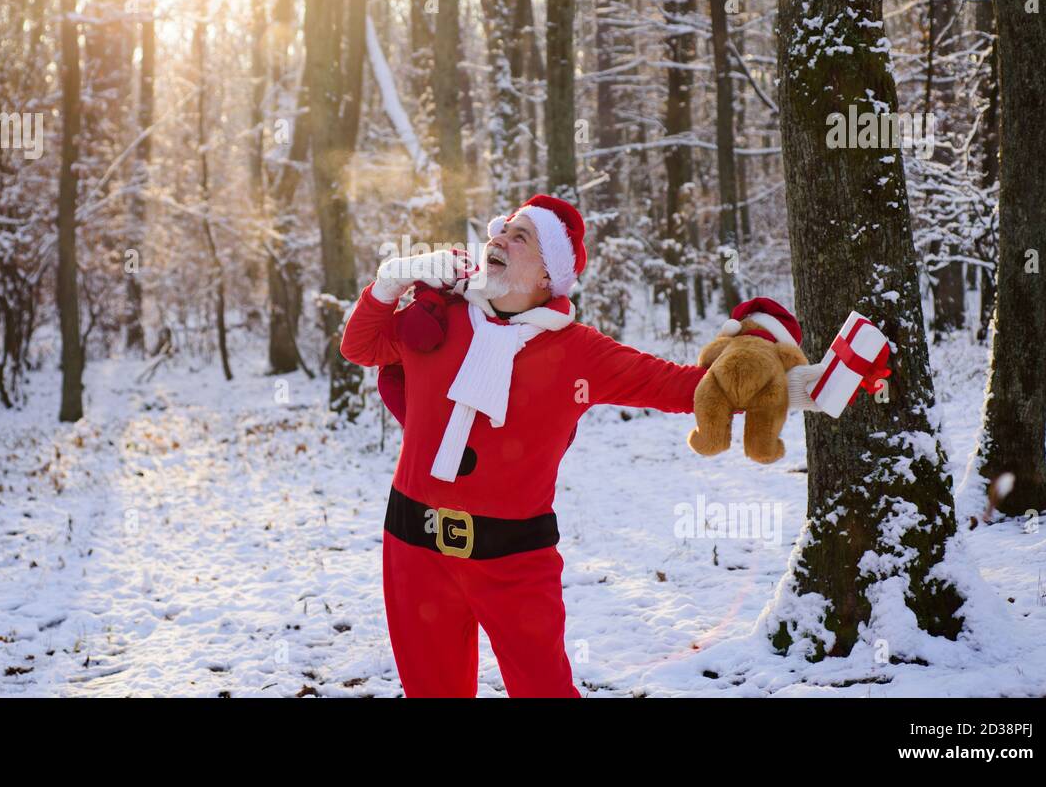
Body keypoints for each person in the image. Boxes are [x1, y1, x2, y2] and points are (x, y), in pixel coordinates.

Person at [340, 194, 823, 697]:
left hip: (513, 561)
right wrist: (391, 280)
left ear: (549, 275)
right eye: (501, 230)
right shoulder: (440, 316)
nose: (498, 239)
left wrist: (796, 381)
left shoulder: (579, 352)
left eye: (519, 235)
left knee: (543, 688)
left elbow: (686, 387)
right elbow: (360, 347)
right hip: (412, 544)